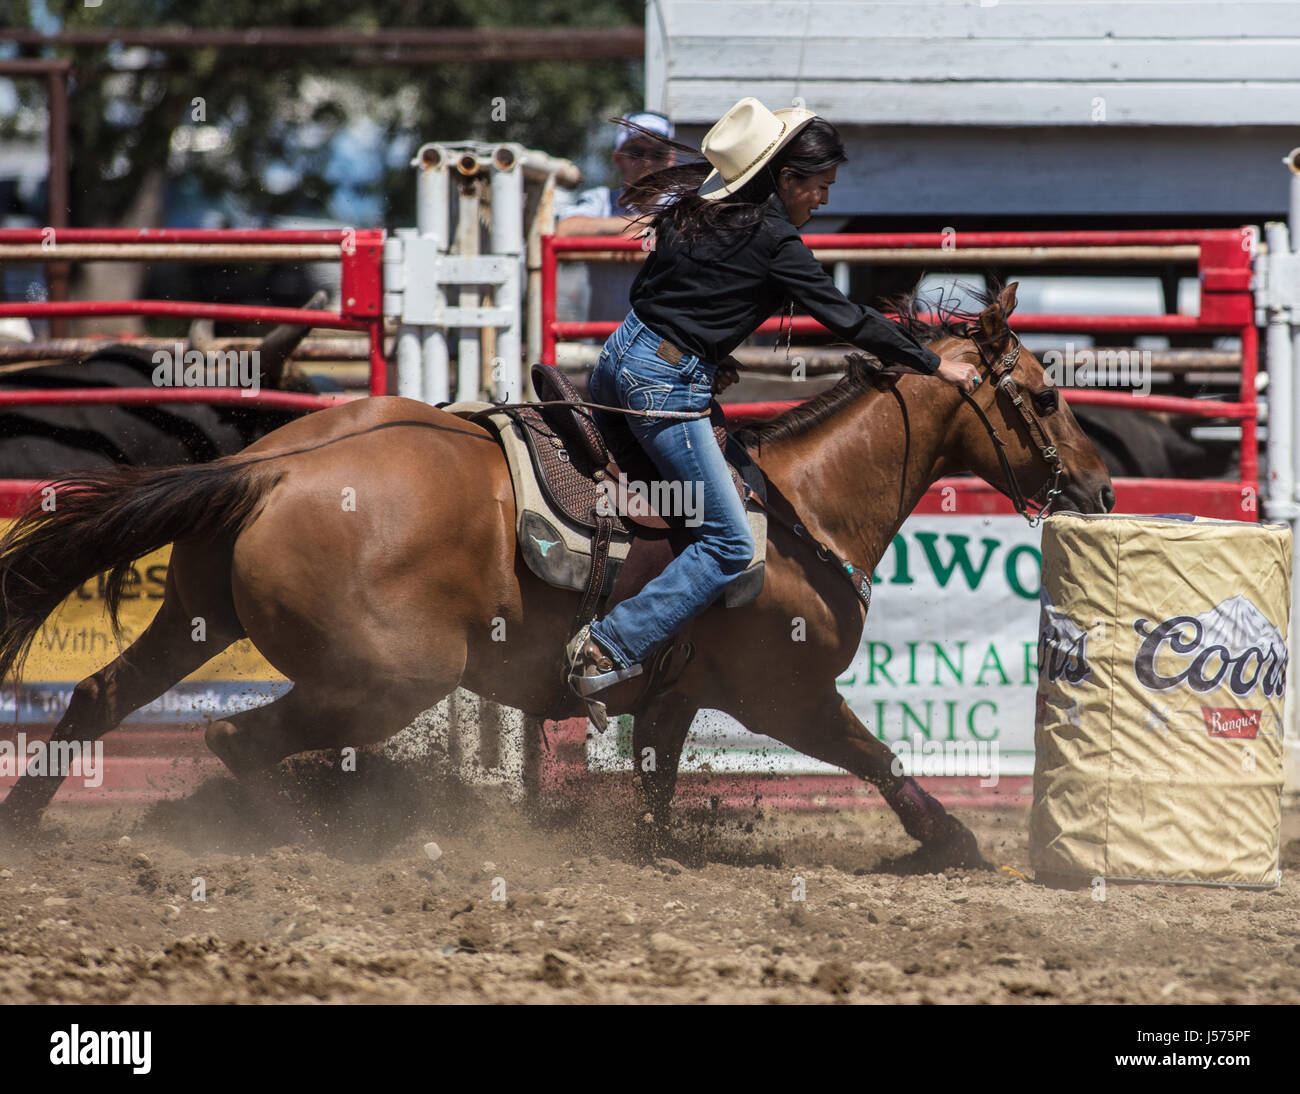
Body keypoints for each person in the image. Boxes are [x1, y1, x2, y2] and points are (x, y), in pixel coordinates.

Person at [567, 96, 981, 711]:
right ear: (785, 179)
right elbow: (846, 317)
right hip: (664, 387)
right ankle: (609, 648)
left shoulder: (697, 210)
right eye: (819, 186)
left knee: (671, 507)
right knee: (731, 544)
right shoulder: (774, 239)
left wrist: (707, 349)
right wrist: (934, 363)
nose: (824, 200)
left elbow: (651, 290)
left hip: (618, 361)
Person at [556, 111, 676, 323]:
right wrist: (645, 223)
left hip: (662, 347)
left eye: (658, 154)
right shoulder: (599, 199)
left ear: (671, 159)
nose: (647, 162)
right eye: (637, 152)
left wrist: (614, 238)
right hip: (602, 345)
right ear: (618, 158)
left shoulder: (684, 204)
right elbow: (564, 231)